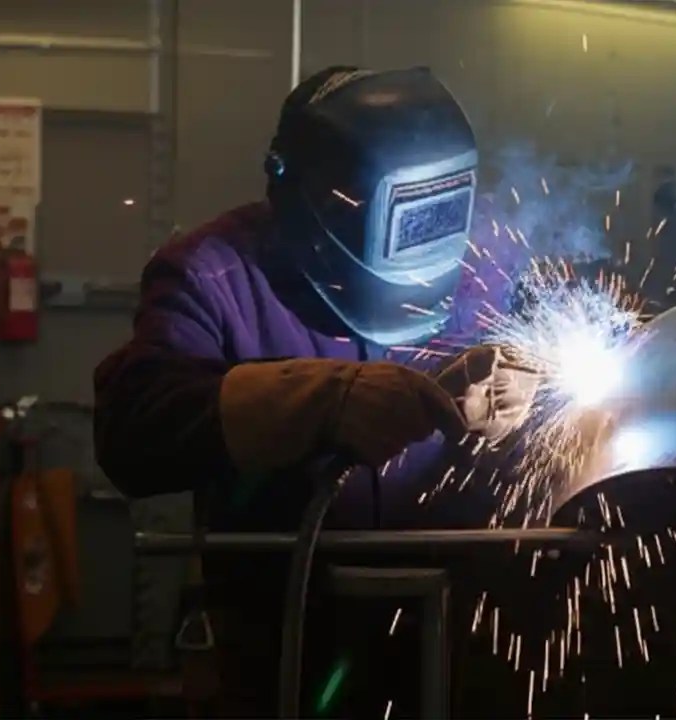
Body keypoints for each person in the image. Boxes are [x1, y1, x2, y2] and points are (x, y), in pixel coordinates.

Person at [94, 66, 537, 715]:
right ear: (308, 201)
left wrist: (532, 381)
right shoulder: (214, 273)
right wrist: (316, 401)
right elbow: (131, 428)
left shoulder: (484, 255)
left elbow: (571, 329)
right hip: (283, 644)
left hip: (456, 642)